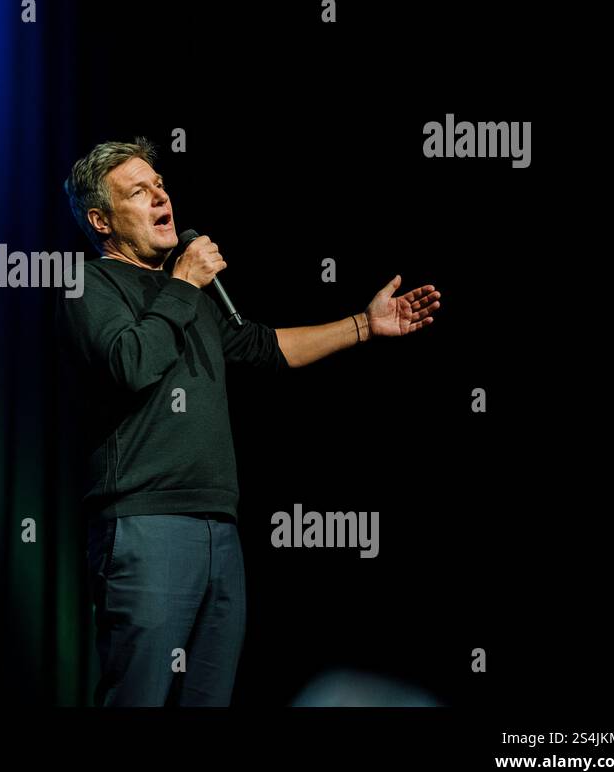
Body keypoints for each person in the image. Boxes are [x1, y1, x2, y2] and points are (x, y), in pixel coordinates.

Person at [57, 137, 441, 706]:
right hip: (146, 523)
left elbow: (265, 347)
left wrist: (364, 323)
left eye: (160, 185)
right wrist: (185, 282)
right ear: (102, 220)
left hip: (219, 524)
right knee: (138, 696)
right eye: (139, 192)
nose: (161, 196)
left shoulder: (194, 294)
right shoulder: (90, 283)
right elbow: (130, 363)